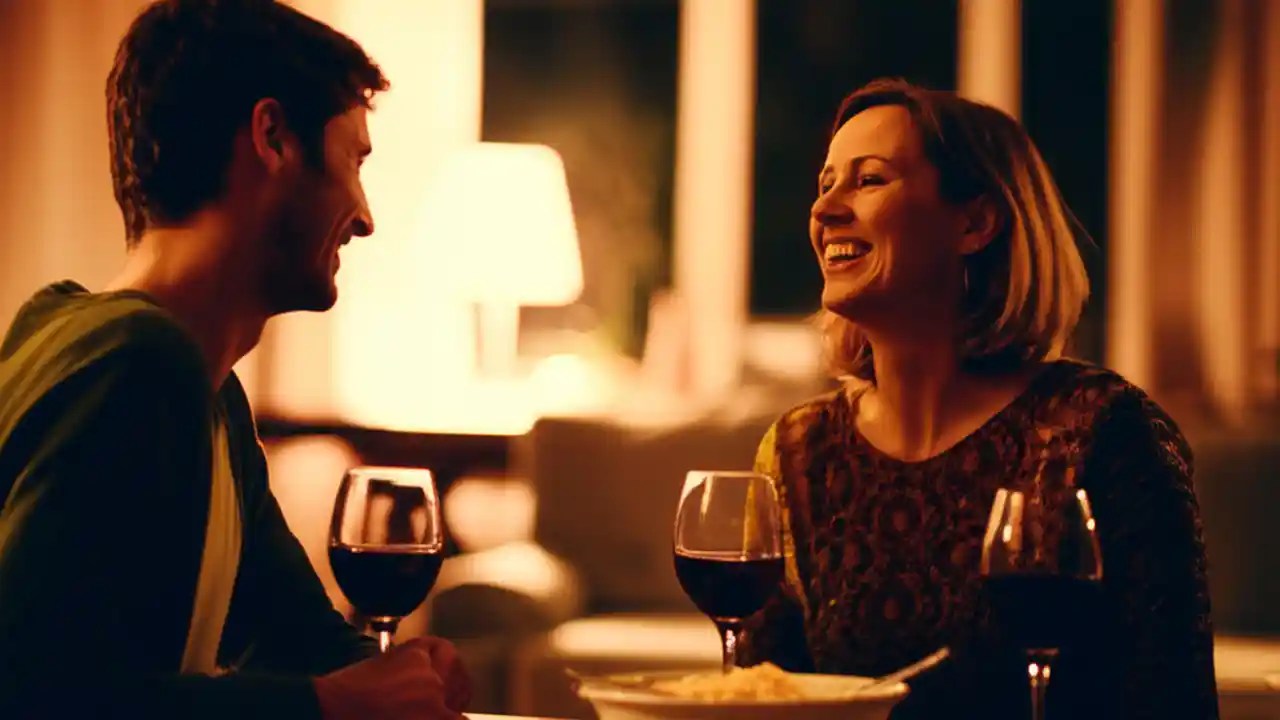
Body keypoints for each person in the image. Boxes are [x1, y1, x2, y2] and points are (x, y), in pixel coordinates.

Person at [0, 1, 470, 718]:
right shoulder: (135, 365)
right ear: (273, 137)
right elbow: (41, 695)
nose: (366, 216)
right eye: (353, 160)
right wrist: (325, 706)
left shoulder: (202, 387)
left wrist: (394, 675)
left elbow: (297, 635)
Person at [738, 78, 1218, 720]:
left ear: (975, 222)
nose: (826, 211)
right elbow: (762, 702)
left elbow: (1174, 702)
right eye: (826, 184)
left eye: (869, 180)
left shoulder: (1102, 431)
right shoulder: (799, 453)